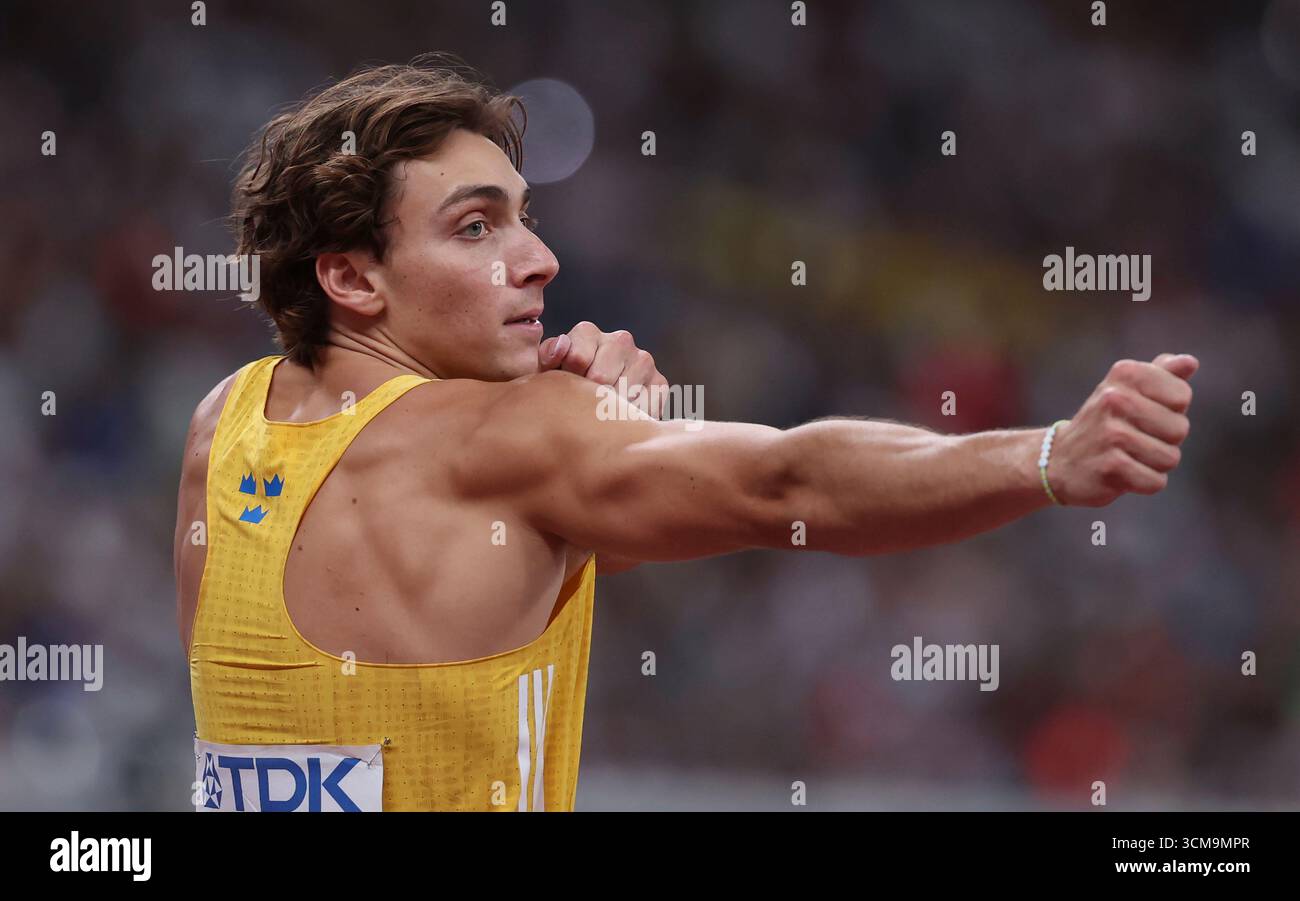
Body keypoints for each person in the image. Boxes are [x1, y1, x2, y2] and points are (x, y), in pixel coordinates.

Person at [175, 55, 1196, 812]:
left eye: (525, 217)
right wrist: (1044, 456)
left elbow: (464, 572)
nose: (538, 258)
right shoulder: (518, 435)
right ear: (352, 277)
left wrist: (596, 442)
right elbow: (788, 486)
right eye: (476, 227)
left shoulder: (222, 428)